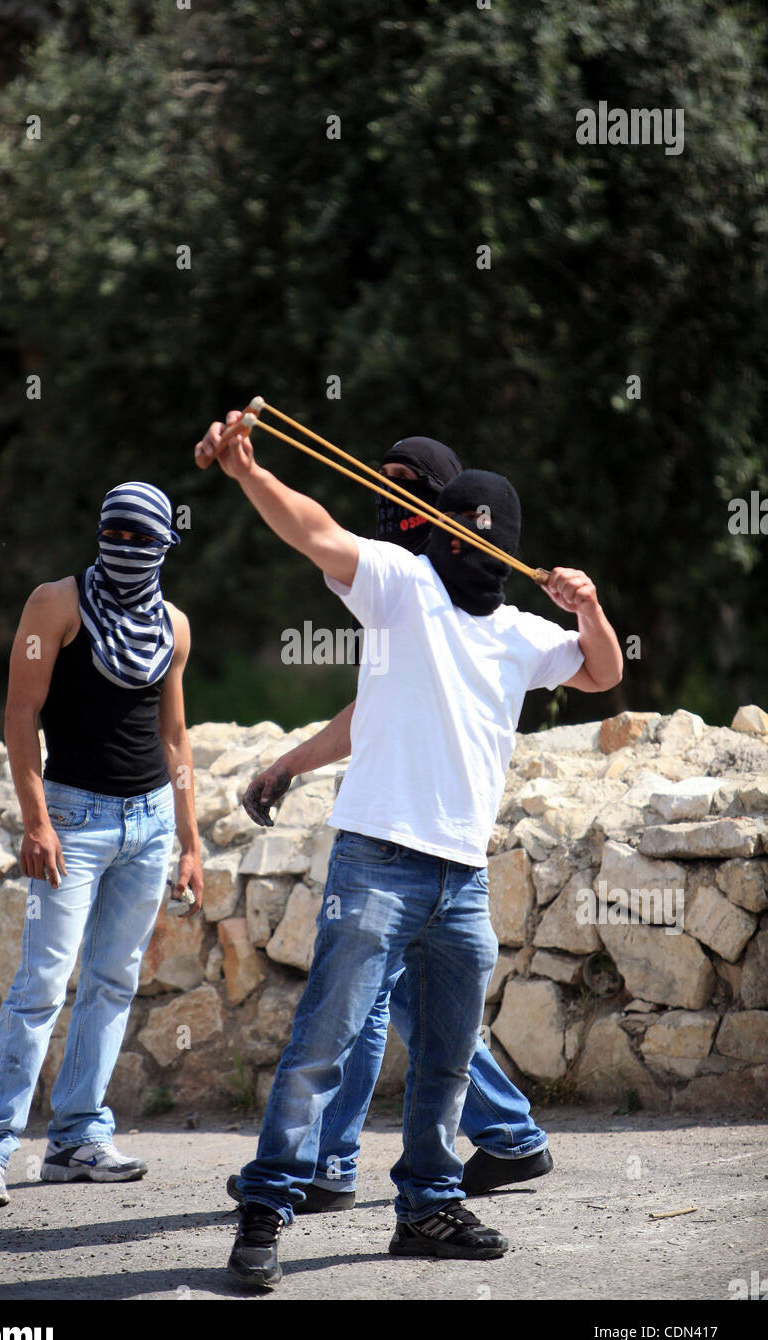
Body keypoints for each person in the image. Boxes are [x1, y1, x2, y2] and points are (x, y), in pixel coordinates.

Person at [195, 412, 622, 1289]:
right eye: (457, 528)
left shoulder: (517, 634)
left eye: (482, 535)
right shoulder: (400, 584)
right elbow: (312, 527)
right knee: (326, 1037)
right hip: (377, 863)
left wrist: (588, 605)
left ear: (503, 547)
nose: (467, 544)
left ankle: (427, 1205)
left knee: (445, 1056)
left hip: (463, 879)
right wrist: (246, 472)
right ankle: (268, 1206)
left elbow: (603, 672)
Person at [232, 436, 554, 1216]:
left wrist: (247, 469)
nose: (389, 501)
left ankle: (332, 1163)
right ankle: (500, 1139)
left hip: (433, 851)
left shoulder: (438, 593)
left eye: (408, 490)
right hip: (399, 846)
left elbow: (314, 531)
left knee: (375, 1013)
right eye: (383, 486)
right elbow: (369, 709)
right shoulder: (404, 587)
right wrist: (290, 764)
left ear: (449, 518)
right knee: (396, 1009)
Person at [0, 482, 203, 1208]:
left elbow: (175, 738)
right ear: (100, 533)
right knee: (40, 985)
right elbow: (20, 713)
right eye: (115, 534)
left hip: (149, 823)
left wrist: (188, 841)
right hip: (74, 820)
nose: (127, 550)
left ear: (165, 545)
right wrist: (37, 821)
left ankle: (75, 1138)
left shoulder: (176, 626)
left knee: (112, 982)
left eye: (142, 539)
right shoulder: (54, 605)